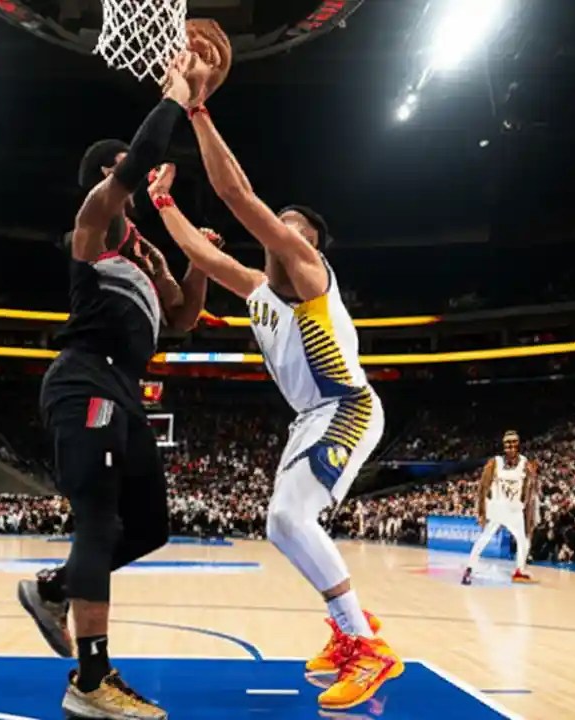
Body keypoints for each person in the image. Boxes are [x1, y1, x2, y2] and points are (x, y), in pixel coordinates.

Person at [146, 102, 400, 711]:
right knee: (279, 525)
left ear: (306, 245)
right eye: (280, 226)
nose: (282, 232)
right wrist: (162, 205)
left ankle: (368, 649)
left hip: (346, 405)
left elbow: (236, 194)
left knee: (289, 520)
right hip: (311, 416)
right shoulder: (260, 292)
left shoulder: (310, 271)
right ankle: (349, 628)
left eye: (292, 228)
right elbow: (206, 260)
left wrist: (199, 110)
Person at [14, 52, 213, 720]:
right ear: (110, 173)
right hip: (83, 377)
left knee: (149, 526)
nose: (138, 166)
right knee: (97, 519)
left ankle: (52, 588)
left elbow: (181, 319)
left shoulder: (148, 255)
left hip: (125, 389)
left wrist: (197, 262)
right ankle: (91, 680)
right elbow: (141, 158)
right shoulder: (94, 221)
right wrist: (178, 96)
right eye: (126, 163)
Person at [462, 430, 539, 585]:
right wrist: (481, 511)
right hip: (498, 507)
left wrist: (526, 506)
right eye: (507, 444)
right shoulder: (495, 462)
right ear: (503, 446)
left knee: (523, 540)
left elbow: (530, 486)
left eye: (513, 443)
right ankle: (469, 567)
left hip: (515, 509)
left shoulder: (525, 463)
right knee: (485, 537)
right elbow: (483, 487)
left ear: (518, 445)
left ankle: (519, 570)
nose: (510, 447)